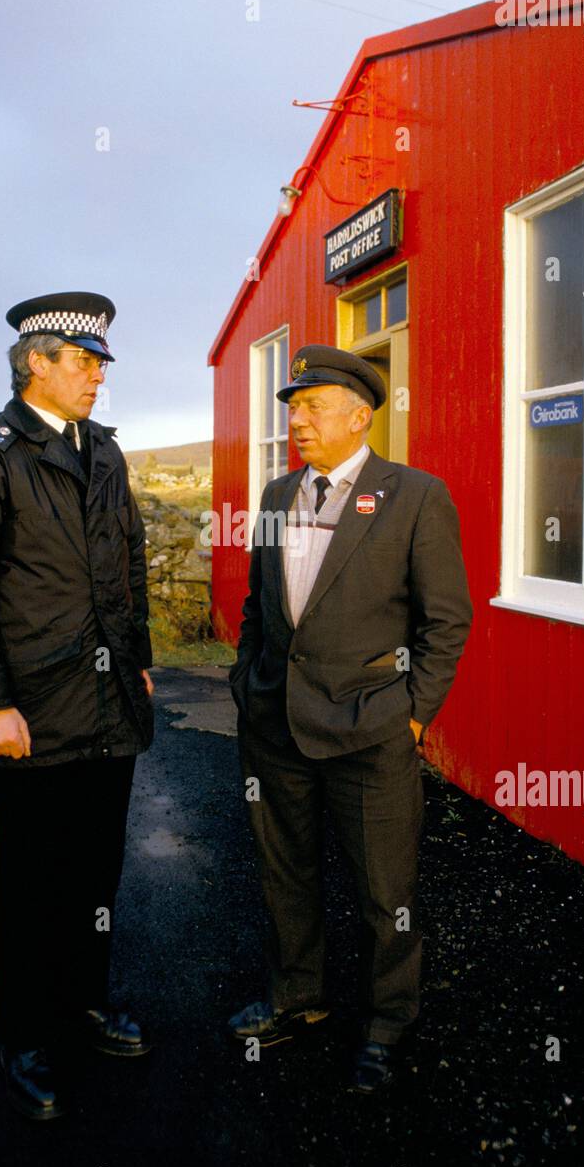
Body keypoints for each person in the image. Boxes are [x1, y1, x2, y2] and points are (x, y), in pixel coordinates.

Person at [0, 291, 155, 1120]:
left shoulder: (105, 453)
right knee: (32, 882)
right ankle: (24, 1034)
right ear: (35, 364)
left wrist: (142, 662)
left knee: (95, 872)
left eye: (100, 364)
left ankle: (85, 1004)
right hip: (32, 710)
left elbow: (128, 559)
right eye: (83, 362)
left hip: (110, 704)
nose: (97, 377)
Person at [227, 345, 473, 1093]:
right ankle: (297, 997)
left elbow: (446, 622)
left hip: (372, 729)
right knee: (284, 874)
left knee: (383, 891)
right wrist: (247, 683)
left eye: (311, 406)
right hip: (276, 726)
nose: (296, 420)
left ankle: (388, 1022)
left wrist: (412, 717)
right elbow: (257, 605)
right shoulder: (275, 497)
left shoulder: (415, 495)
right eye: (292, 407)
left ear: (360, 416)